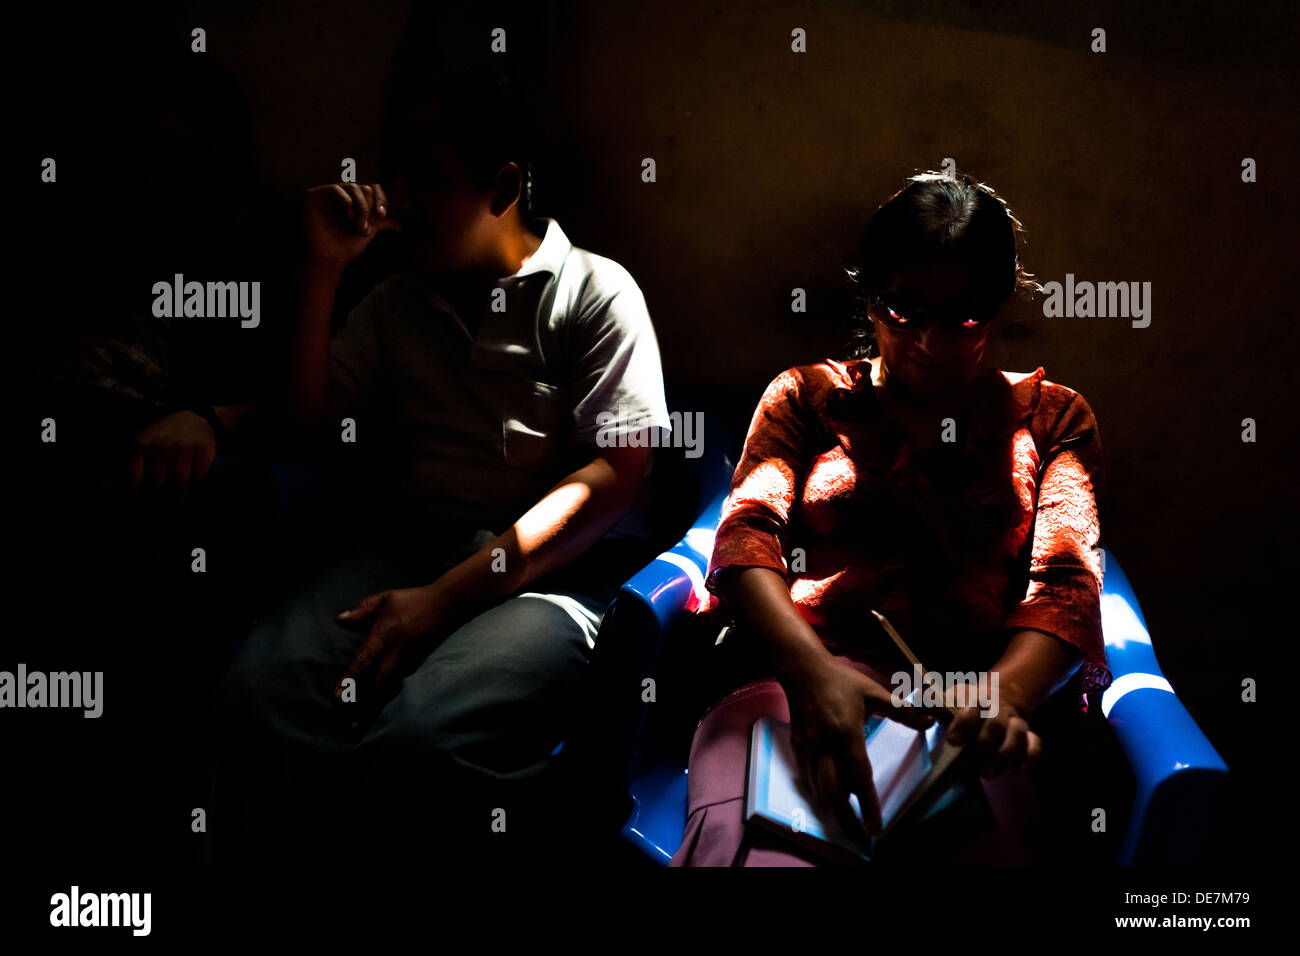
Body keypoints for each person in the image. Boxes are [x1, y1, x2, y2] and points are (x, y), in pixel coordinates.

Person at [215, 69, 671, 863]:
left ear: (504, 185)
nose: (403, 200)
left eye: (430, 180)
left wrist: (444, 600)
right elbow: (305, 427)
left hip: (551, 581)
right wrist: (321, 268)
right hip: (409, 549)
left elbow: (617, 476)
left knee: (420, 743)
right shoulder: (396, 303)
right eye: (396, 177)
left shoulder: (596, 294)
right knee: (257, 698)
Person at [670, 171, 1112, 866]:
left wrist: (1005, 697)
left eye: (964, 316)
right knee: (770, 851)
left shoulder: (1055, 420)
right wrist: (811, 673)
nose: (932, 344)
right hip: (791, 684)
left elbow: (1065, 585)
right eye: (904, 311)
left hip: (966, 712)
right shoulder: (806, 398)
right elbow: (748, 535)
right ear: (871, 297)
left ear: (999, 307)